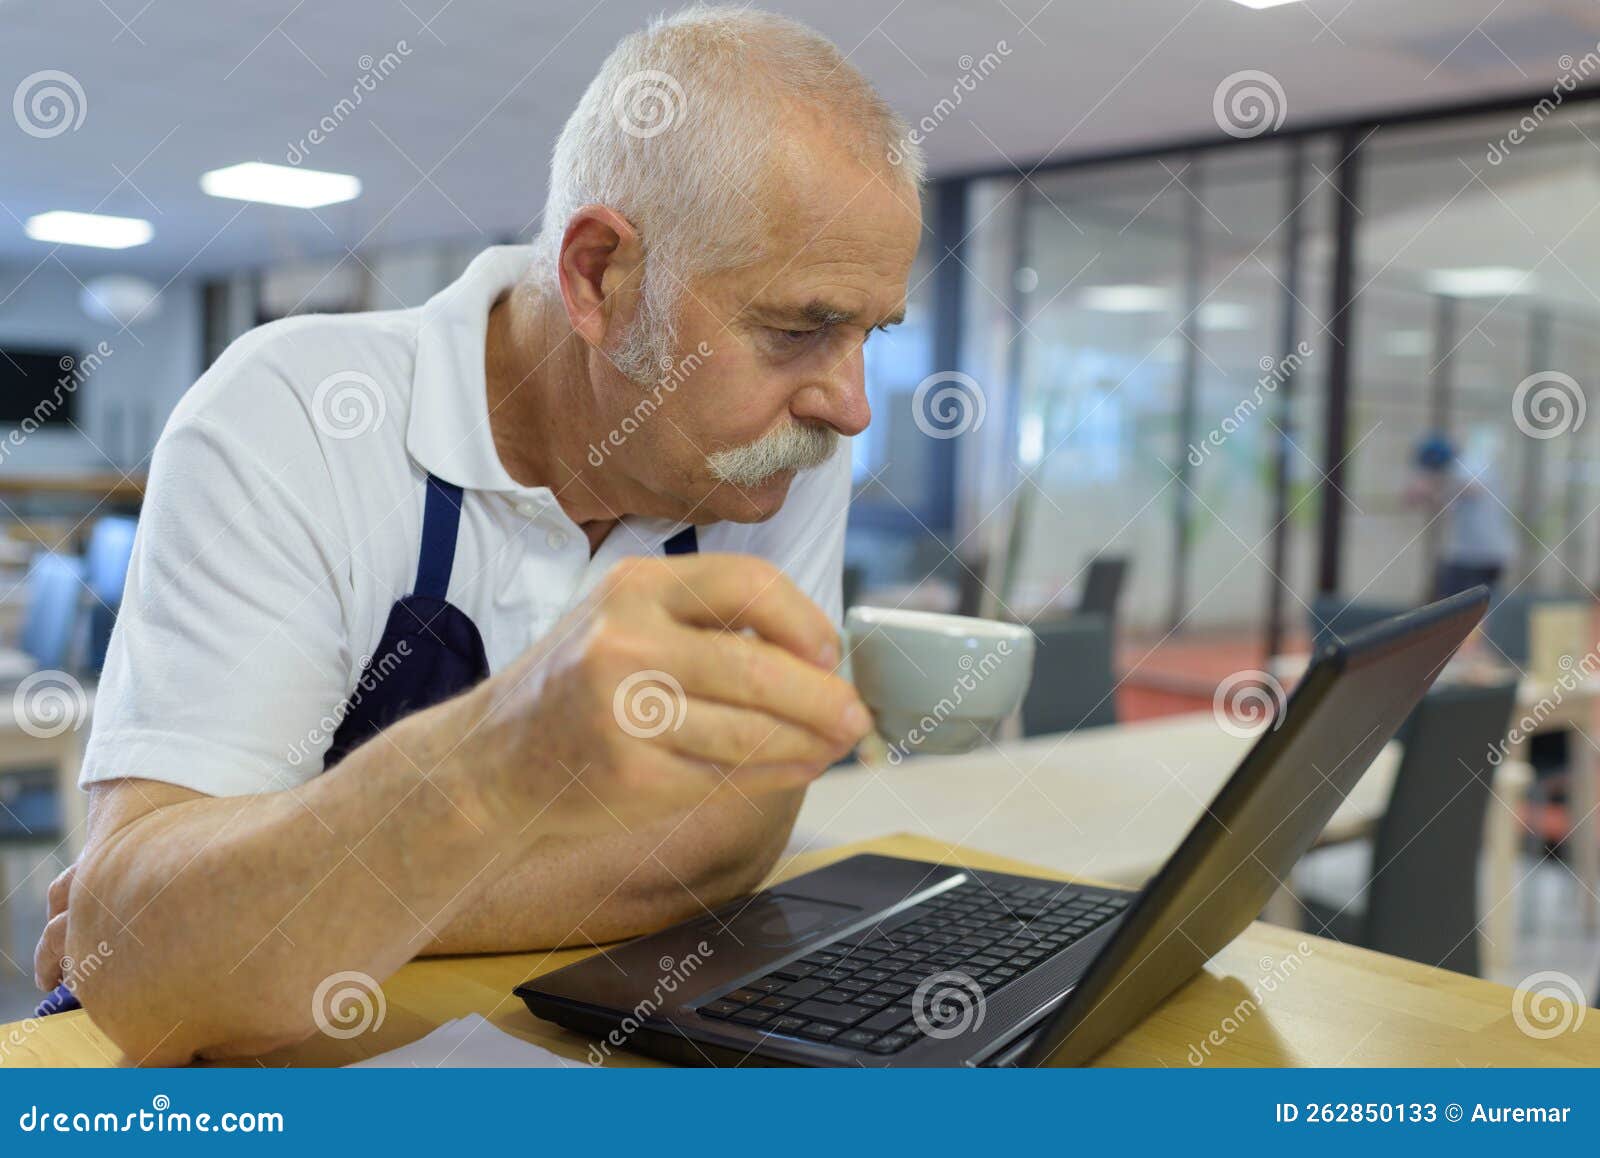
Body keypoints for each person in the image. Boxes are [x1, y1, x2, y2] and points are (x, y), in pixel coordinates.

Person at [33, 5, 923, 1064]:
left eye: (869, 333)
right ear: (599, 275)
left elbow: (740, 830)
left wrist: (298, 911)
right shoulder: (292, 419)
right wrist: (499, 760)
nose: (849, 404)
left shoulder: (767, 456)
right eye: (798, 327)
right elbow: (153, 983)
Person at [1407, 433, 1514, 598]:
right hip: (1464, 554)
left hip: (1485, 554)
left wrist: (1436, 487)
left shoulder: (1470, 464)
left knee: (1468, 608)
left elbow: (1473, 489)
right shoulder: (1453, 474)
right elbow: (1439, 500)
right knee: (1445, 602)